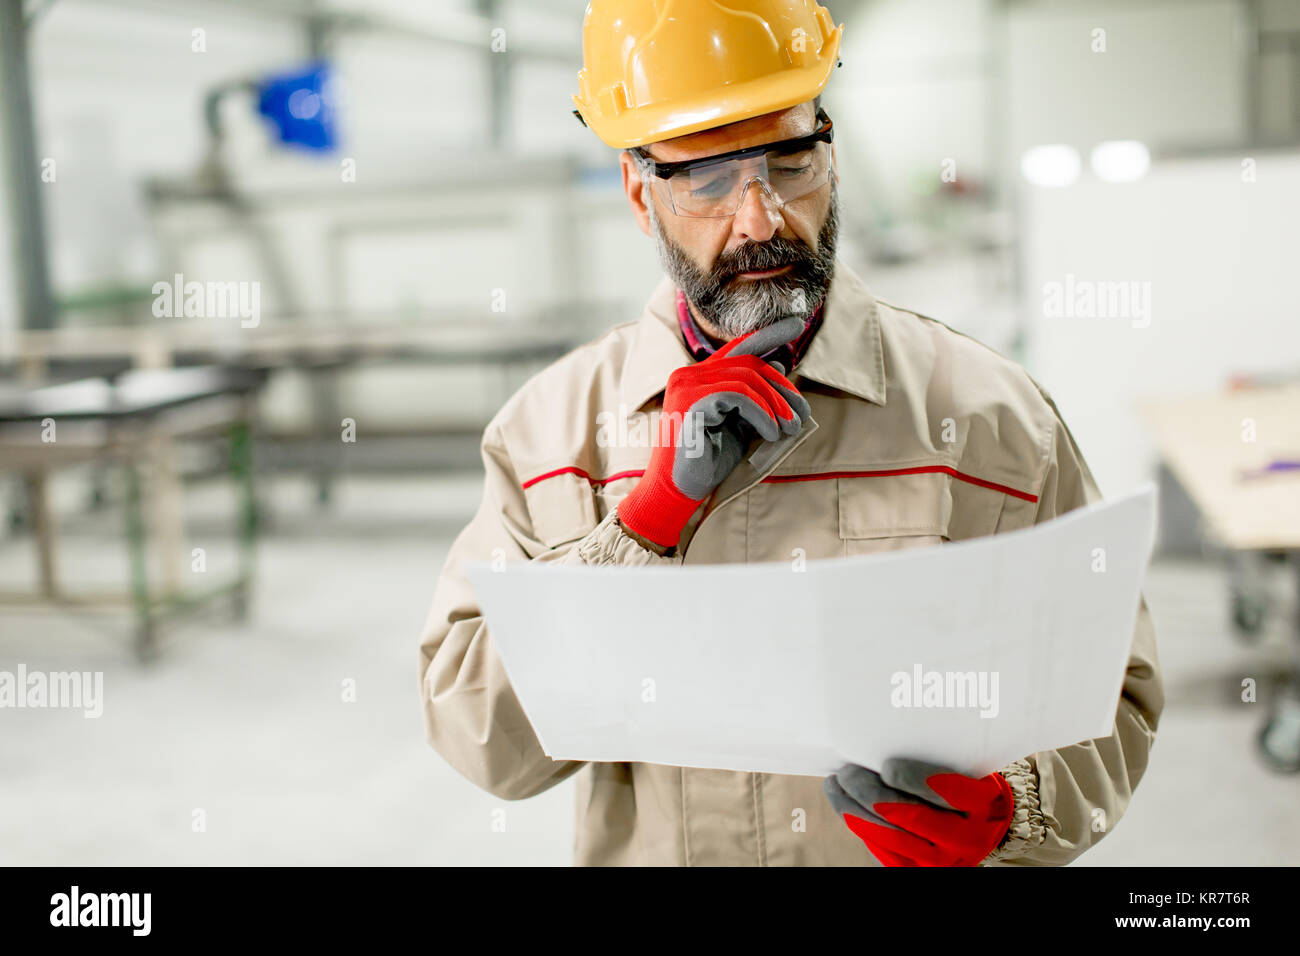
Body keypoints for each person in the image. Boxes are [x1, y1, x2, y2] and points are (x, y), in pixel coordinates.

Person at [418, 0, 1162, 866]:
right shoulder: (552, 437)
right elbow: (479, 739)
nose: (762, 218)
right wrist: (639, 530)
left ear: (831, 155)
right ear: (638, 191)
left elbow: (1113, 702)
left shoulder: (991, 417)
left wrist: (1017, 812)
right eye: (705, 177)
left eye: (790, 158)